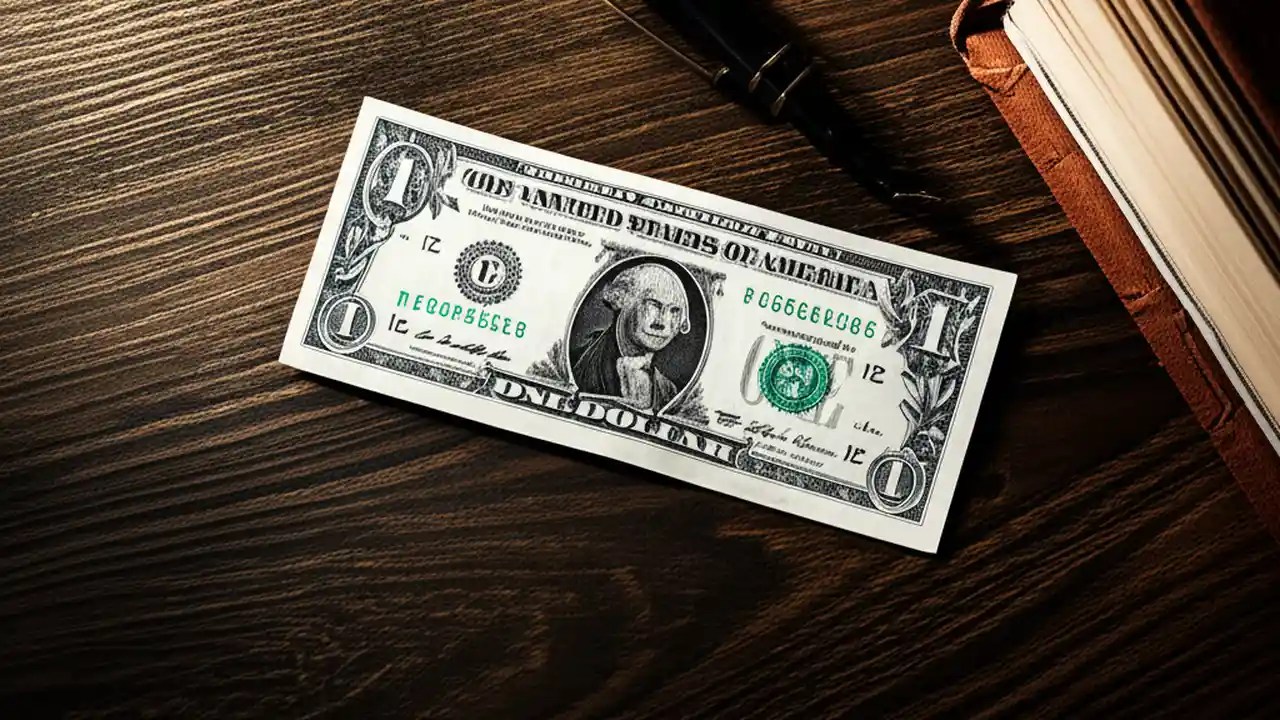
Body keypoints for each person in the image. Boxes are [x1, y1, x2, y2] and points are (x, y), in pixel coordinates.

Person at [571, 263, 691, 411]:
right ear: (621, 298)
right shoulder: (575, 363)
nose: (662, 323)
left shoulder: (669, 392)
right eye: (653, 305)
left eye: (674, 311)